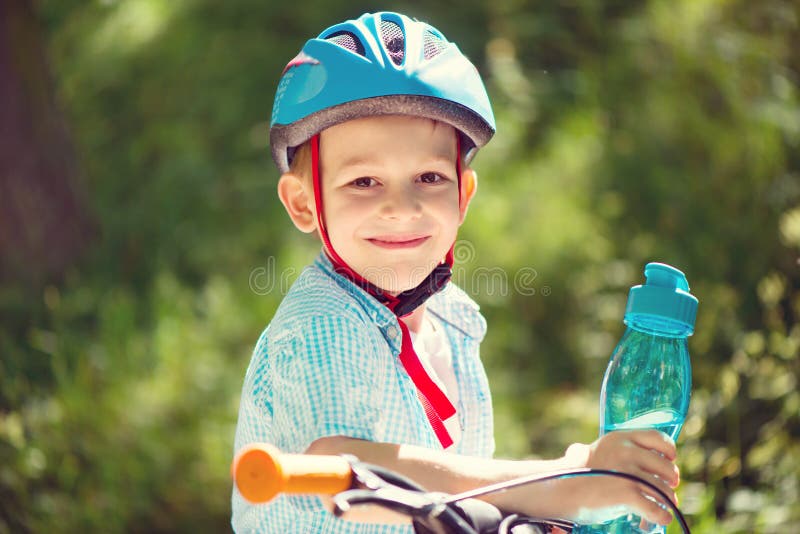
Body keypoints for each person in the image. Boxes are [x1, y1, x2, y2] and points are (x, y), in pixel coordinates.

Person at [232, 11, 680, 533]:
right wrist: (566, 479)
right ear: (304, 203)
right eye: (363, 182)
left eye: (428, 176)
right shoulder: (325, 327)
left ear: (463, 195)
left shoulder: (451, 320)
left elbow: (462, 500)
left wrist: (554, 509)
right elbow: (351, 472)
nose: (401, 207)